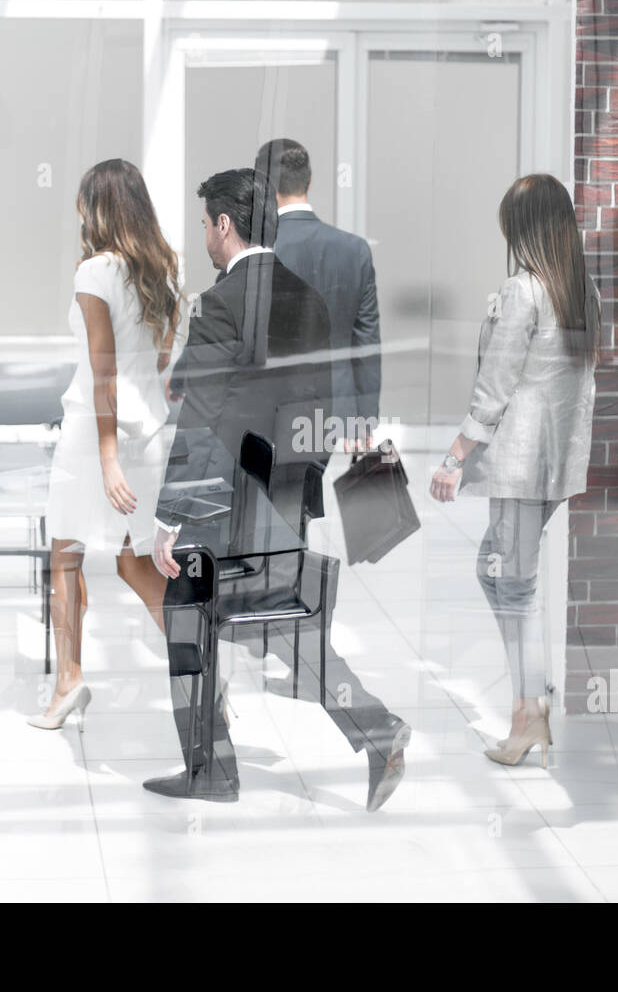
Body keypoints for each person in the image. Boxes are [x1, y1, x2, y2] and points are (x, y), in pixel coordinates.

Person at [145, 168, 412, 809]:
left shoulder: (223, 302)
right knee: (281, 628)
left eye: (207, 224)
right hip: (284, 494)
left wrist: (170, 515)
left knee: (187, 618)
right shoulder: (307, 297)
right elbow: (307, 404)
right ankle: (375, 730)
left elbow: (201, 414)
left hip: (223, 497)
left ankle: (211, 771)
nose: (205, 235)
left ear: (225, 225)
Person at [429, 173, 599, 766]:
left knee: (516, 586)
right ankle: (536, 697)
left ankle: (530, 714)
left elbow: (494, 386)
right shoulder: (580, 292)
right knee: (496, 572)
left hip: (523, 464)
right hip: (553, 464)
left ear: (523, 230)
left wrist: (455, 458)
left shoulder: (525, 290)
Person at [30, 158, 182, 730]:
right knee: (135, 563)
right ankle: (202, 670)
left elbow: (102, 371)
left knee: (65, 557)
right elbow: (161, 360)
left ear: (96, 208)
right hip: (151, 432)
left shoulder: (93, 272)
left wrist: (107, 456)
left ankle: (68, 681)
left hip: (98, 437)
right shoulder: (163, 271)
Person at [254, 138, 381, 450]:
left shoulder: (254, 250)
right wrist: (365, 418)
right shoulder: (355, 250)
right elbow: (366, 341)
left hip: (268, 409)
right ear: (309, 181)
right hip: (339, 411)